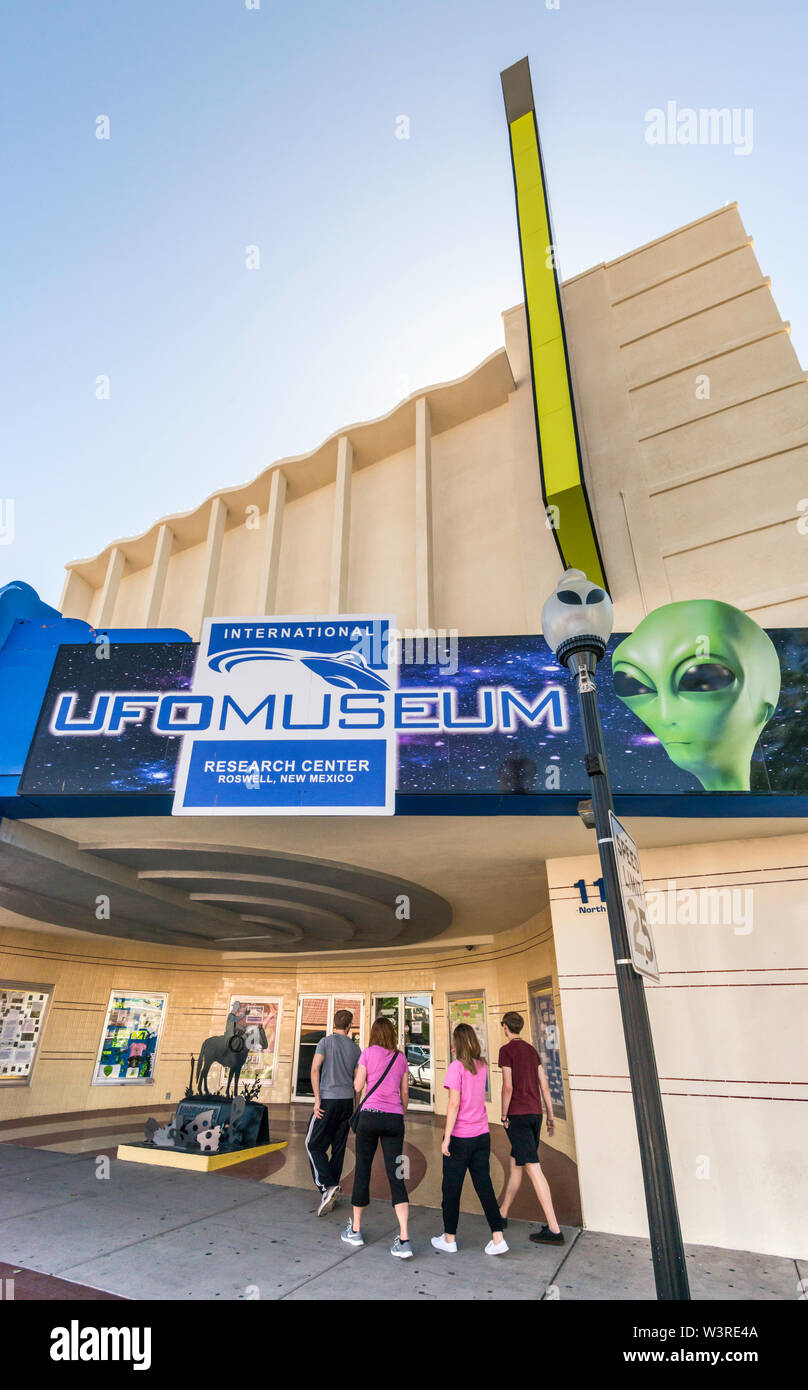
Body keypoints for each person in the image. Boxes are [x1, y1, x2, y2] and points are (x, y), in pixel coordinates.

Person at [431, 1023, 508, 1256]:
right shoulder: (481, 1065)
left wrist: (446, 1138)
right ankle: (498, 1238)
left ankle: (449, 1238)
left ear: (457, 1043)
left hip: (460, 1136)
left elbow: (454, 1103)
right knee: (485, 1187)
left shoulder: (456, 1067)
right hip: (482, 1135)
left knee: (451, 1189)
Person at [342, 1015, 412, 1259]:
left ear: (373, 1033)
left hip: (369, 1118)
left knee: (363, 1169)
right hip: (394, 1120)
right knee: (397, 1174)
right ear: (392, 1034)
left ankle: (356, 1230)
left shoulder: (368, 1053)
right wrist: (400, 1112)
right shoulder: (401, 1057)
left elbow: (358, 1087)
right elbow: (405, 1093)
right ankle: (404, 1238)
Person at [497, 1010, 564, 1245]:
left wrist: (504, 1115)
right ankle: (502, 1213)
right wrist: (550, 1115)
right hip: (535, 1113)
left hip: (518, 1115)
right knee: (517, 1163)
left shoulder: (506, 1051)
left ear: (505, 1027)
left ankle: (555, 1230)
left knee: (533, 1168)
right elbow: (544, 1085)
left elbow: (508, 1087)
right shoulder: (532, 1050)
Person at [306, 1008, 361, 1216]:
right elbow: (358, 1084)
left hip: (328, 1100)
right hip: (347, 1102)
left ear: (333, 1024)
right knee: (338, 1148)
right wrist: (355, 1108)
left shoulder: (325, 1042)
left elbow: (314, 1069)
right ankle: (333, 1190)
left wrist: (317, 1100)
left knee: (312, 1144)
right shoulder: (356, 1050)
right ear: (349, 1026)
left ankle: (327, 1186)